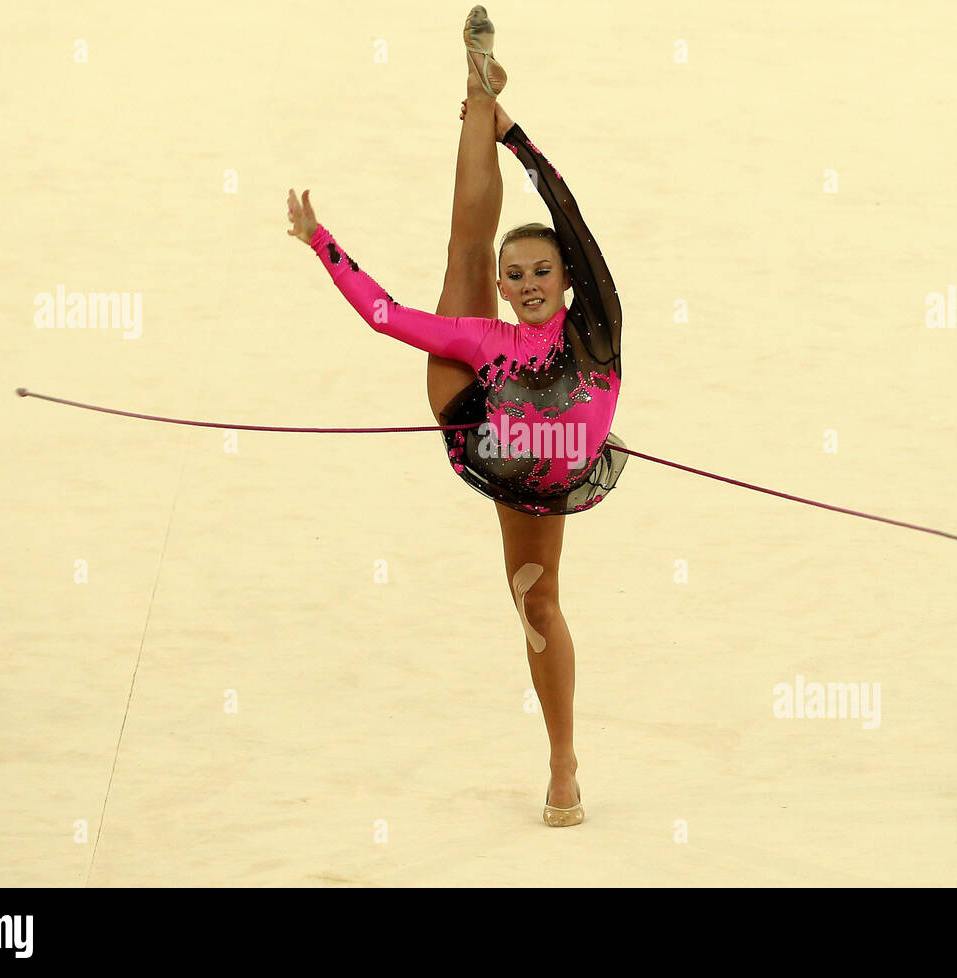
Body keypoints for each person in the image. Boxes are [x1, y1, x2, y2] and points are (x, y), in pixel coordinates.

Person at [286, 6, 623, 827]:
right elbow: (386, 316)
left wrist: (514, 135)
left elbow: (569, 218)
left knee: (536, 604)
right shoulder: (484, 330)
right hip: (481, 417)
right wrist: (322, 240)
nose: (532, 281)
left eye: (543, 269)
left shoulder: (597, 326)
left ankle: (562, 762)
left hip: (542, 479)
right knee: (461, 252)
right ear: (508, 289)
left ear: (564, 279)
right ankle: (474, 91)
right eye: (518, 276)